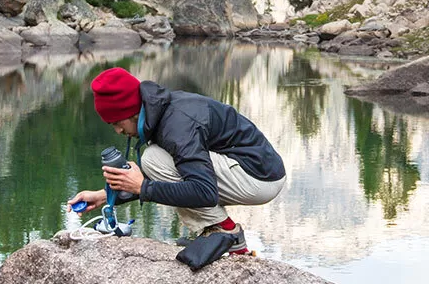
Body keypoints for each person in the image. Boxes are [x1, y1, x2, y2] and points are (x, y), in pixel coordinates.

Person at [67, 67, 286, 254]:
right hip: (252, 169)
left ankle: (226, 232)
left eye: (117, 122)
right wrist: (104, 196)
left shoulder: (177, 126)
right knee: (155, 160)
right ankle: (219, 232)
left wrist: (143, 187)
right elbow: (165, 178)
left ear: (132, 112)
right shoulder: (160, 110)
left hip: (259, 176)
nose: (117, 130)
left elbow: (204, 192)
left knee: (153, 159)